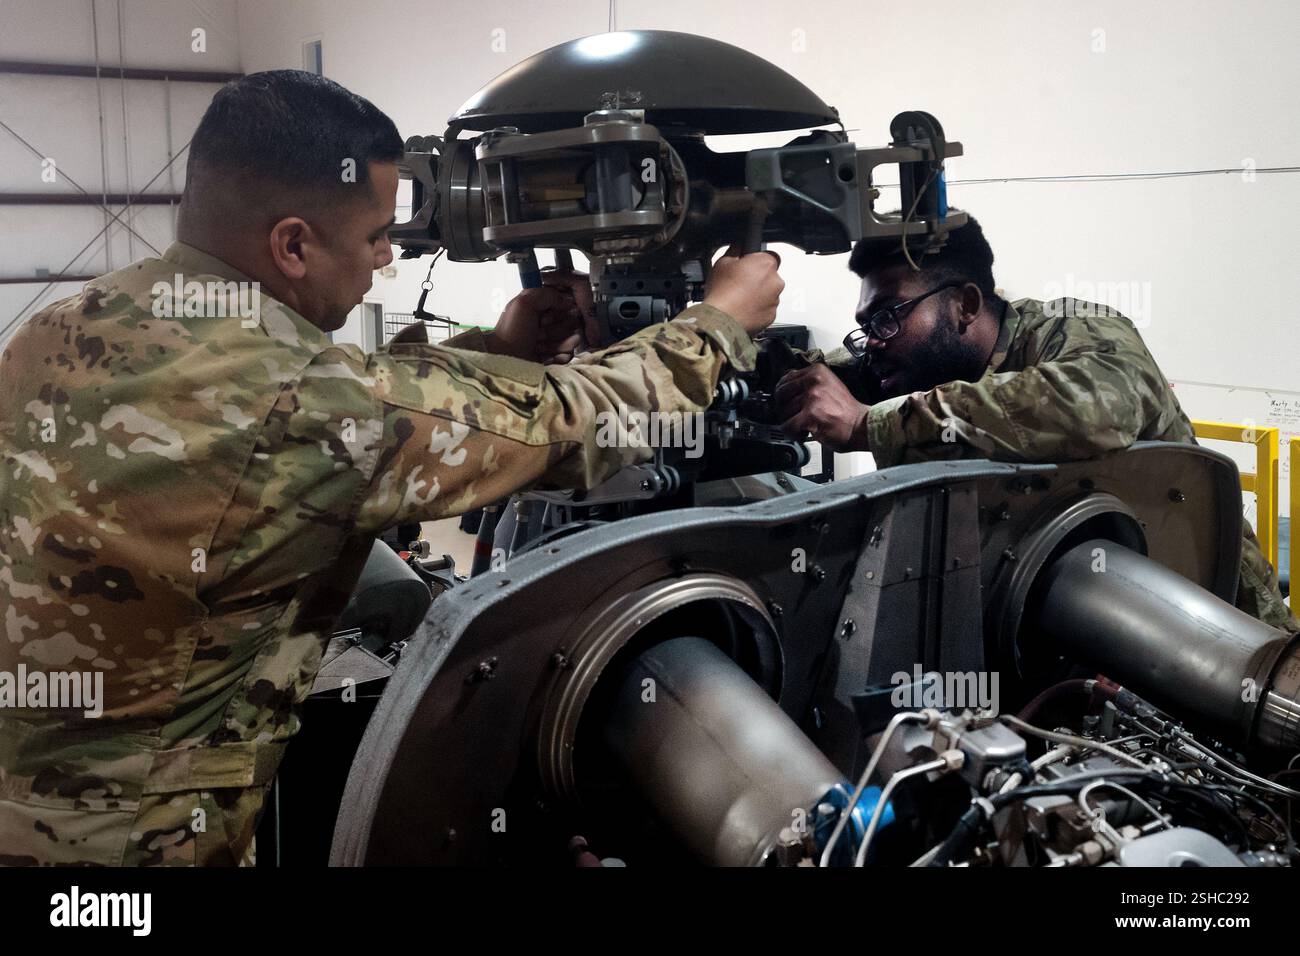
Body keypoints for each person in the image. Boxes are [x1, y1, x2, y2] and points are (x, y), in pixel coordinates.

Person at [0, 70, 783, 866]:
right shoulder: (308, 409)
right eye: (376, 234)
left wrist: (495, 350)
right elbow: (569, 428)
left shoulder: (61, 328)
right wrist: (716, 325)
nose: (386, 257)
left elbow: (312, 398)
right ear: (293, 244)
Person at [774, 215, 1295, 633]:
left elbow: (1095, 407)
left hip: (1219, 624)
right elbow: (832, 370)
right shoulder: (912, 360)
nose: (876, 340)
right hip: (1065, 621)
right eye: (867, 327)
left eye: (888, 316)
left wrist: (872, 425)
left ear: (966, 305)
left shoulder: (1074, 327)